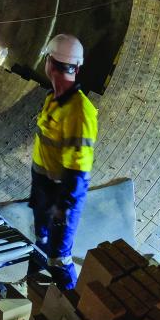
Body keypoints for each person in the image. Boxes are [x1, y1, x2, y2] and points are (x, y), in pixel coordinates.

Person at [28, 34, 97, 291]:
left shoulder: (80, 111)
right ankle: (34, 289)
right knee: (41, 241)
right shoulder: (52, 99)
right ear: (76, 68)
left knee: (58, 258)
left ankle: (73, 310)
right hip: (44, 189)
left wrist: (63, 207)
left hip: (61, 197)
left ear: (49, 63)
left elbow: (78, 171)